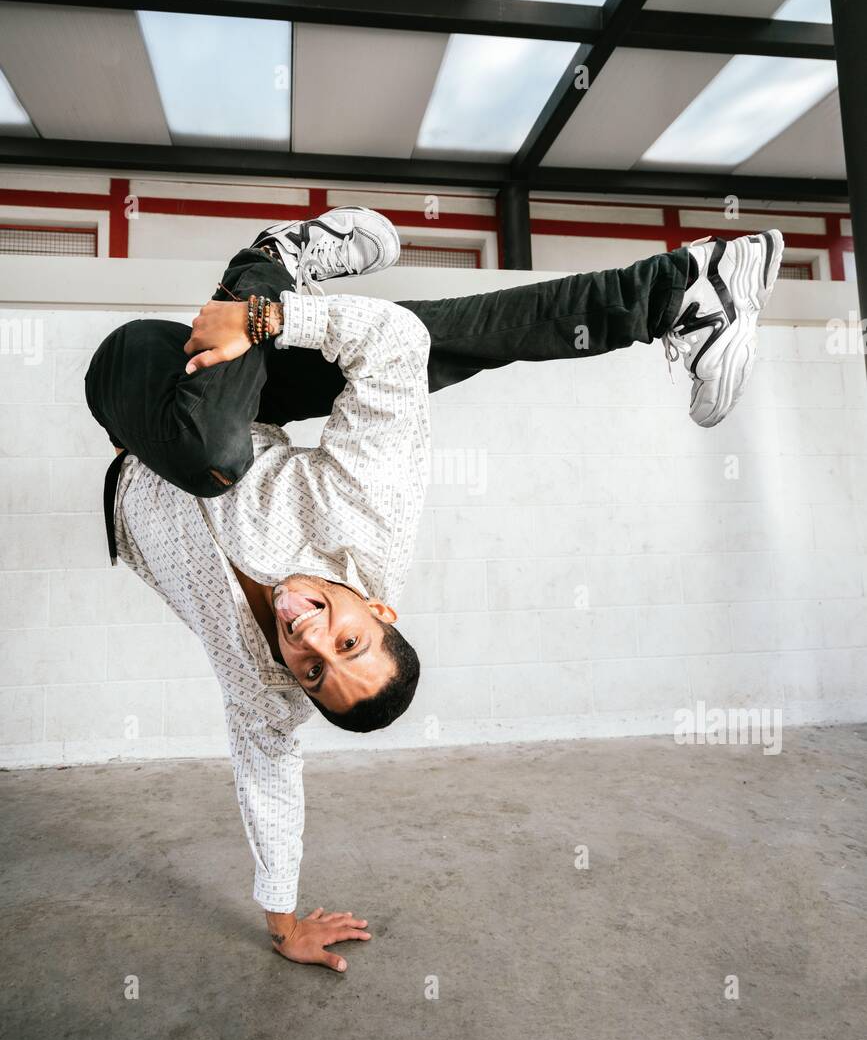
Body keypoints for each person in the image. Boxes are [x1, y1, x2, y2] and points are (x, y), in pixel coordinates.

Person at [84, 207, 783, 972]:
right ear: (378, 609)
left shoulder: (261, 687)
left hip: (133, 401)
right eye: (347, 641)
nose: (311, 640)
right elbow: (395, 346)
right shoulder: (364, 521)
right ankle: (682, 290)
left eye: (314, 670)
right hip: (205, 386)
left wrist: (283, 928)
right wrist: (263, 315)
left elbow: (271, 783)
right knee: (423, 350)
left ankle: (683, 292)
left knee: (258, 425)